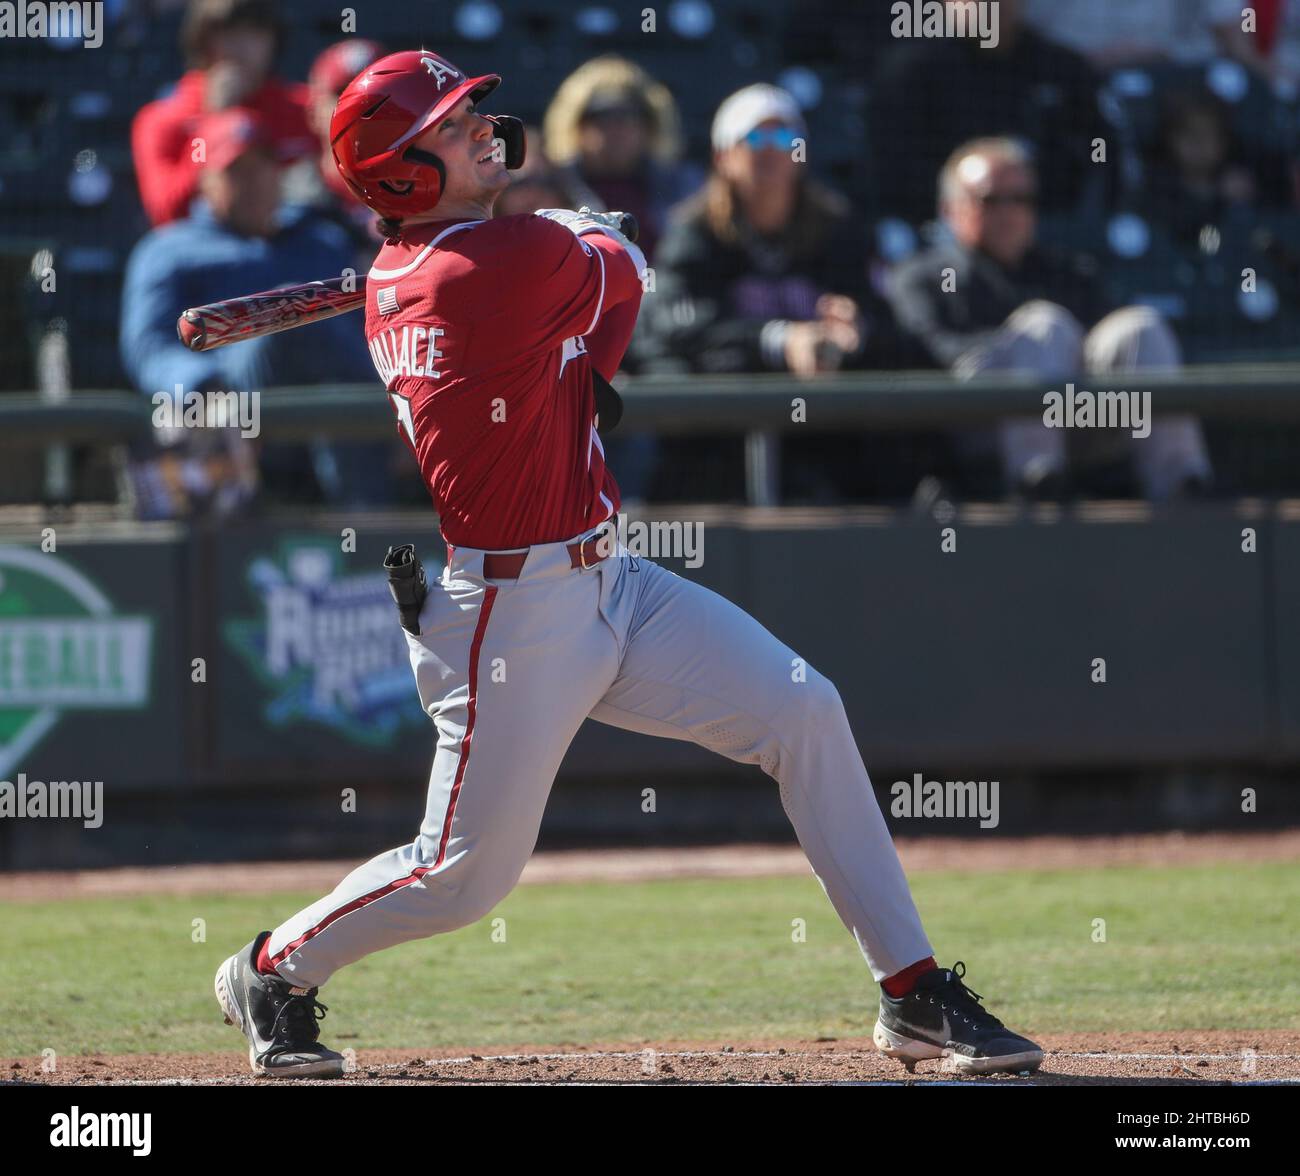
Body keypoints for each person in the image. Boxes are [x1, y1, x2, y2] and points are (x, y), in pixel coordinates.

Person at [213, 49, 1044, 1081]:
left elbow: (596, 324)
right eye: (450, 122)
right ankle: (271, 968)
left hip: (613, 578)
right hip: (511, 620)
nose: (481, 124)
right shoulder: (490, 267)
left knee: (802, 709)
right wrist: (586, 234)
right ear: (400, 174)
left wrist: (579, 273)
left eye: (475, 107)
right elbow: (622, 271)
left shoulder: (436, 271)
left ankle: (912, 992)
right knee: (464, 879)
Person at [639, 84, 926, 502]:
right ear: (723, 156)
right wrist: (778, 340)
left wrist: (856, 328)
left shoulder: (838, 229)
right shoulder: (694, 234)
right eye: (755, 138)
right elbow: (680, 328)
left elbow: (885, 319)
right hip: (722, 436)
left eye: (784, 138)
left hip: (822, 427)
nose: (771, 150)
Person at [887, 137, 1213, 500]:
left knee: (1140, 327)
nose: (1010, 212)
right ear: (950, 210)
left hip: (1077, 415)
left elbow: (1101, 351)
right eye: (991, 200)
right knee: (1045, 326)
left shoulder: (1067, 272)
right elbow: (933, 352)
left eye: (1022, 199)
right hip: (975, 415)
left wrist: (1060, 359)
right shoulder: (920, 277)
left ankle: (1184, 487)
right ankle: (1037, 485)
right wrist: (1025, 346)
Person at [120, 109, 375, 517]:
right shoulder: (167, 249)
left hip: (331, 408)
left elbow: (366, 327)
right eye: (237, 171)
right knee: (289, 308)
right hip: (234, 400)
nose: (256, 183)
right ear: (205, 182)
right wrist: (203, 386)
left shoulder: (321, 241)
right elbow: (148, 346)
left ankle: (369, 515)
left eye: (265, 168)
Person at [869, 0, 1110, 220]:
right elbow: (894, 172)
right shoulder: (911, 74)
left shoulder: (1063, 70)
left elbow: (1100, 149)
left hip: (1050, 230)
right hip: (943, 233)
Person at [131, 0, 314, 226]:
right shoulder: (164, 119)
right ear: (203, 41)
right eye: (228, 33)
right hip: (206, 250)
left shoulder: (306, 111)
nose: (241, 47)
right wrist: (214, 123)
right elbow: (167, 211)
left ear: (274, 41)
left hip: (297, 245)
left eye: (255, 32)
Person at [541, 55, 702, 262]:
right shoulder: (549, 188)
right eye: (600, 116)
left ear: (650, 125)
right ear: (575, 123)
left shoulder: (687, 189)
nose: (615, 129)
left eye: (628, 116)